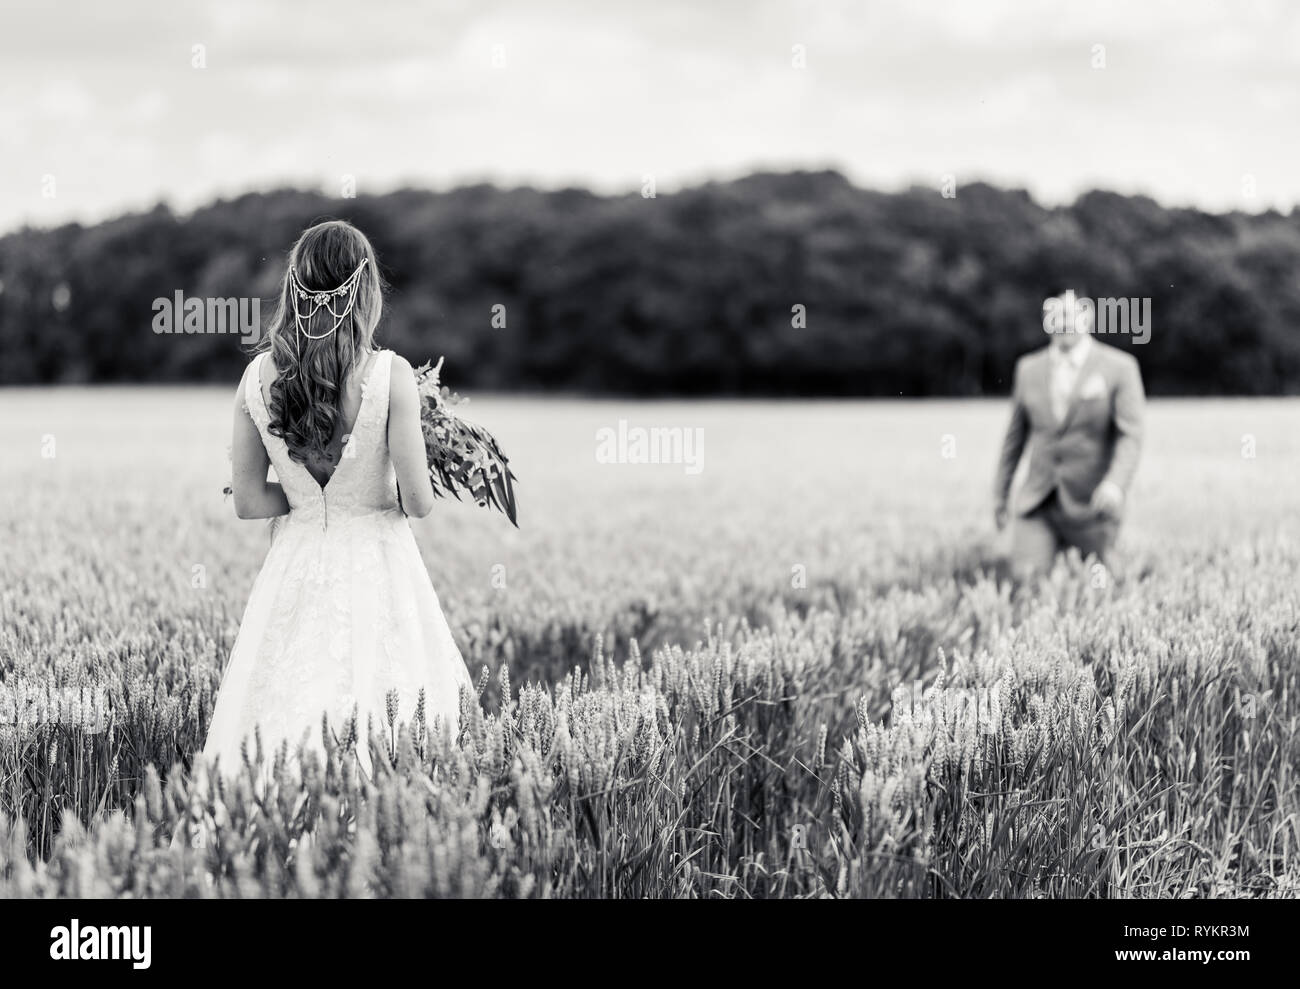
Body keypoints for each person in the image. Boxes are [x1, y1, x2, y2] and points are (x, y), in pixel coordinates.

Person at [202, 220, 472, 780]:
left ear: (294, 289)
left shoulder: (255, 378)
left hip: (295, 568)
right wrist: (384, 479)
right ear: (365, 290)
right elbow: (418, 502)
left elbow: (248, 501)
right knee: (397, 728)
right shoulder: (391, 375)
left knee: (282, 712)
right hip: (380, 565)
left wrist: (307, 503)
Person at [993, 290, 1145, 580]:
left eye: (1070, 315)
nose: (1063, 323)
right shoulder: (1027, 369)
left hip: (1092, 505)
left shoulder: (1120, 367)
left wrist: (1115, 484)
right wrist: (999, 496)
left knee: (1104, 587)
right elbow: (1013, 442)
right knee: (1026, 581)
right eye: (1055, 317)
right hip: (1038, 502)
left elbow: (1131, 436)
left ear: (1087, 318)